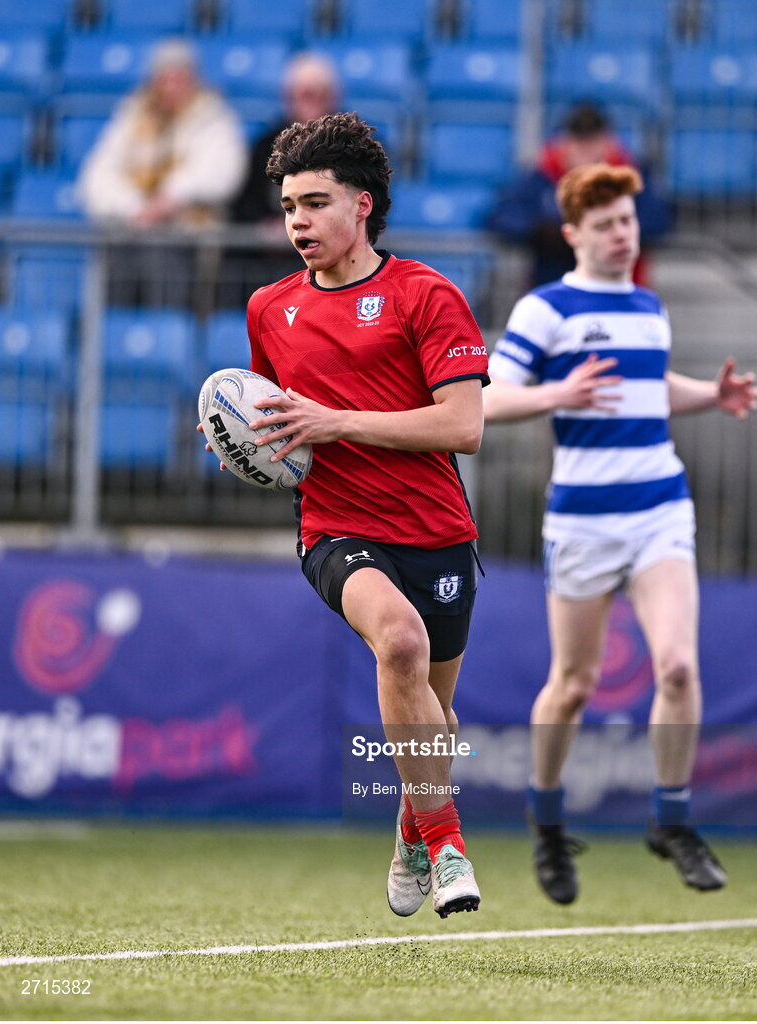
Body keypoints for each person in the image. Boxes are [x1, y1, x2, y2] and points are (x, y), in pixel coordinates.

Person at [201, 113, 489, 918]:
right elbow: (276, 422)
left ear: (362, 206)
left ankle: (410, 829)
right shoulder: (268, 308)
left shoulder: (425, 295)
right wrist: (239, 438)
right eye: (289, 205)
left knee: (436, 707)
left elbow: (462, 427)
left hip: (437, 532)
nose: (297, 220)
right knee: (398, 641)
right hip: (335, 529)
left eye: (315, 202)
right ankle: (448, 846)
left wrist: (337, 420)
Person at [484, 163, 757, 905]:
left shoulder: (646, 304)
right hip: (581, 519)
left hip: (658, 508)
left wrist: (710, 394)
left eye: (628, 223)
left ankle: (670, 818)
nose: (620, 235)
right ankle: (545, 819)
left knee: (676, 667)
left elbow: (648, 384)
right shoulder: (545, 309)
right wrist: (558, 394)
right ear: (572, 233)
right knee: (571, 687)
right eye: (606, 224)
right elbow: (487, 398)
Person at [79, 38, 247, 307]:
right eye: (165, 78)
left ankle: (164, 338)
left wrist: (171, 199)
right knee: (117, 257)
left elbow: (223, 174)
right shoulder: (132, 117)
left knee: (160, 257)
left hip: (187, 236)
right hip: (132, 231)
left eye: (180, 78)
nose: (172, 87)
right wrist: (134, 208)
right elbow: (97, 176)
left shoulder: (213, 117)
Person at [487, 103, 670, 289]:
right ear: (565, 142)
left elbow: (657, 222)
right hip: (555, 286)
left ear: (607, 142)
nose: (586, 149)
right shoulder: (542, 176)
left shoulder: (630, 176)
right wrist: (540, 232)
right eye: (579, 140)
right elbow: (503, 218)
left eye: (592, 141)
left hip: (619, 287)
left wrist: (602, 230)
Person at [219, 53, 342, 305]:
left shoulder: (353, 147)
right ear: (288, 97)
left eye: (317, 93)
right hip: (269, 263)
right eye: (302, 94)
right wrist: (265, 227)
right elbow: (244, 204)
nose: (310, 102)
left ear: (332, 97)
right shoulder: (265, 145)